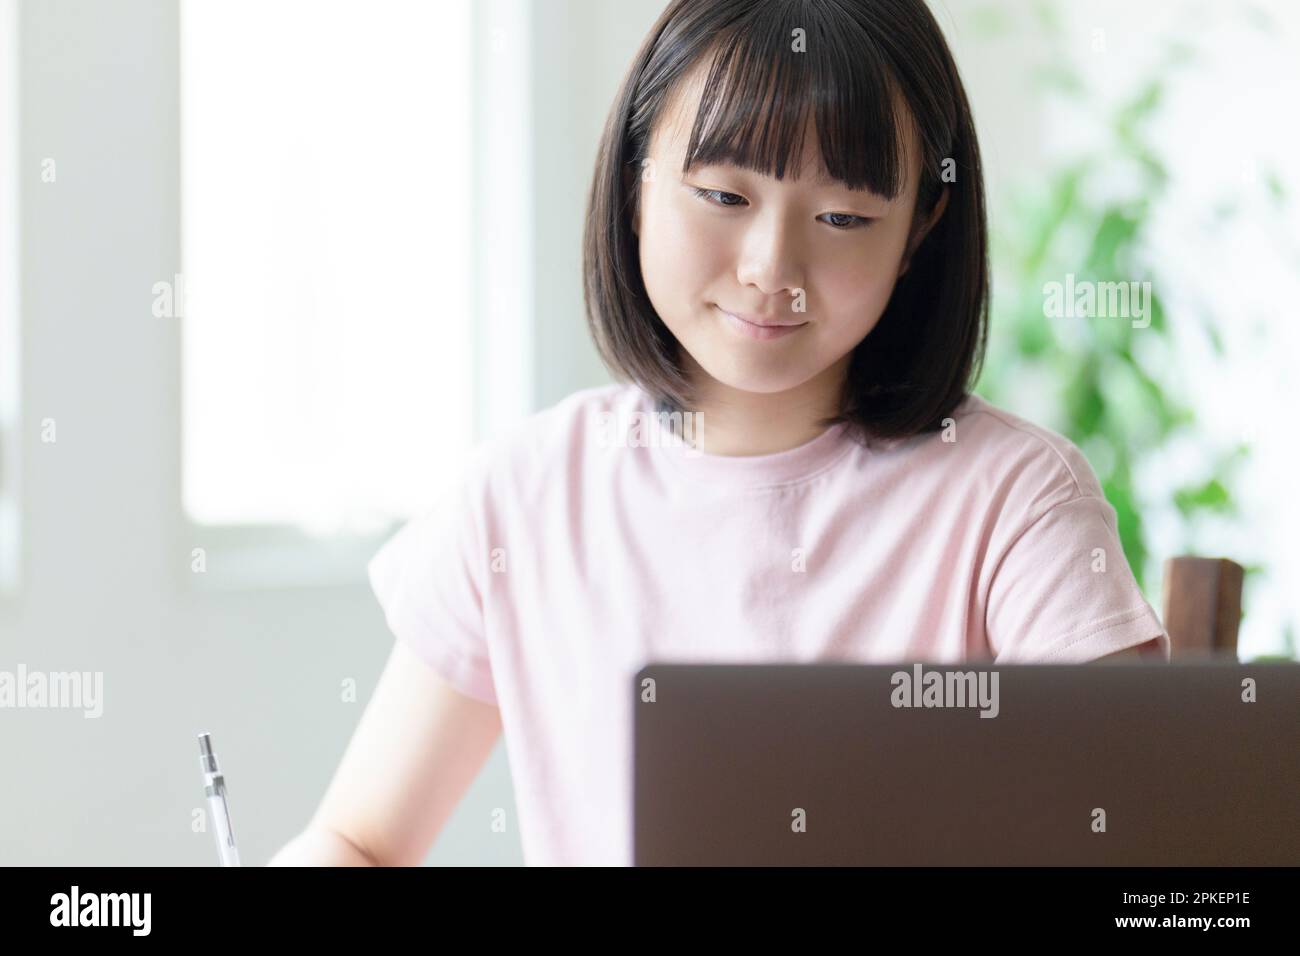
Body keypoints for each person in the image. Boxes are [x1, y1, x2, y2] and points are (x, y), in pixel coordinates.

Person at [270, 0, 1167, 868]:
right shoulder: (527, 494)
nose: (770, 269)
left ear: (918, 231)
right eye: (722, 195)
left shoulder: (1012, 499)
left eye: (843, 217)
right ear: (635, 183)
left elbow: (1138, 843)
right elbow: (360, 840)